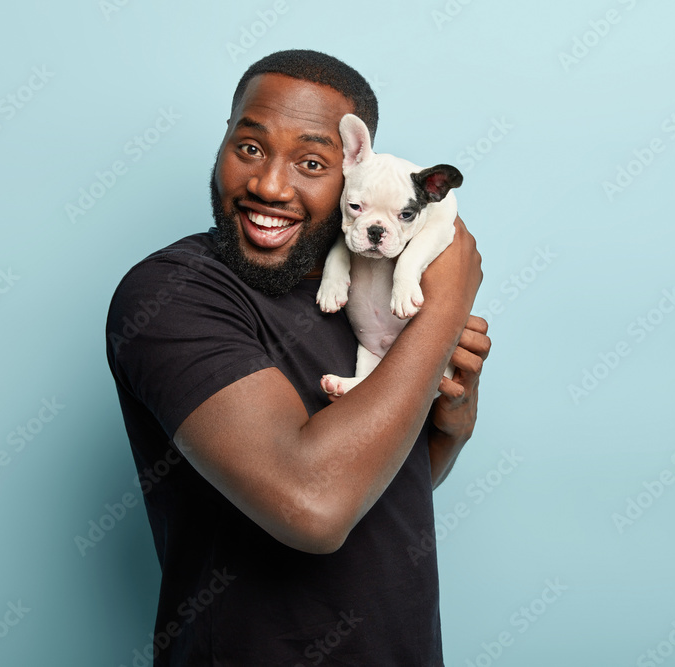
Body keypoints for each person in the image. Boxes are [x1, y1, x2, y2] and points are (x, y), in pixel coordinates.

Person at [105, 49, 490, 666]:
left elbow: (395, 484)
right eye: (250, 148)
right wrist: (445, 308)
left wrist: (453, 426)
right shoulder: (173, 294)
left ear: (353, 169)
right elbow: (313, 509)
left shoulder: (375, 287)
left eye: (312, 161)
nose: (269, 184)